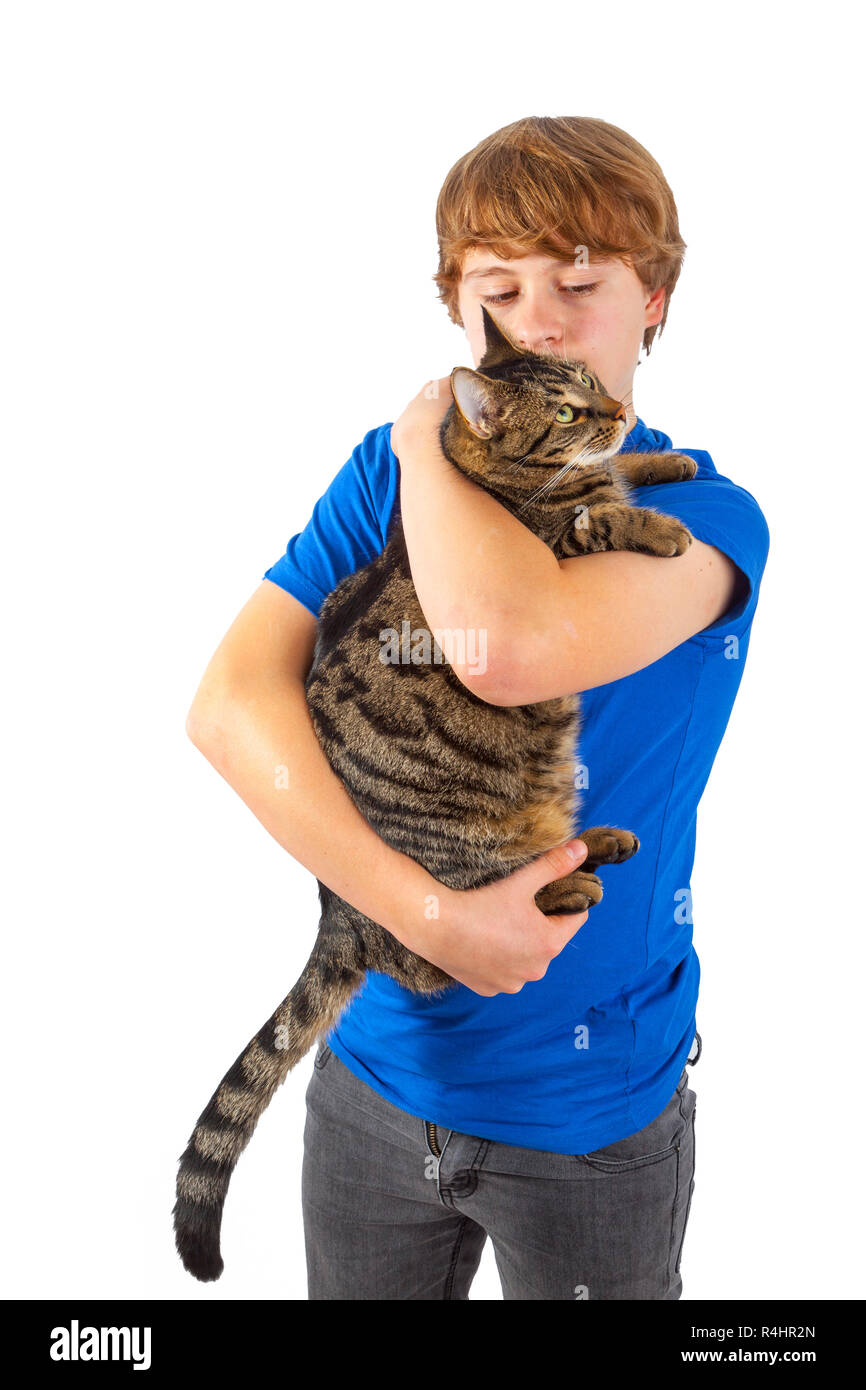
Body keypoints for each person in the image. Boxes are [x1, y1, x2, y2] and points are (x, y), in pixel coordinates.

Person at [185, 116, 770, 1300]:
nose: (539, 320)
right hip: (372, 1072)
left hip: (588, 1113)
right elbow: (227, 706)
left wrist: (425, 444)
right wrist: (429, 919)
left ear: (654, 295)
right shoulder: (388, 472)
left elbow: (500, 647)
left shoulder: (711, 520)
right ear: (457, 308)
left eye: (581, 283)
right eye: (496, 289)